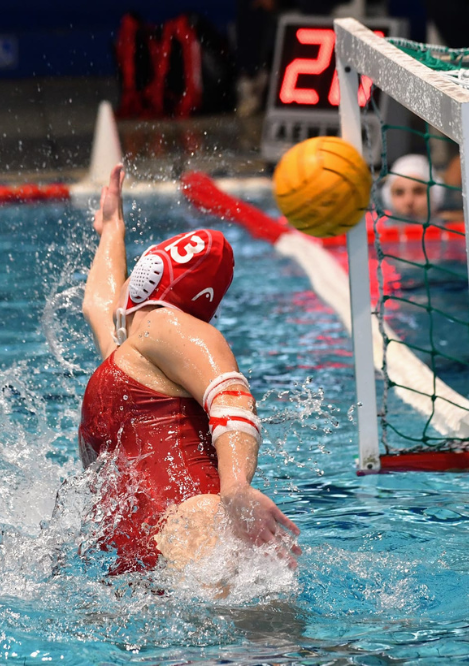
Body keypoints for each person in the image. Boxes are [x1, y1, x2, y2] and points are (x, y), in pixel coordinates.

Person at [79, 164, 301, 577]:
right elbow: (98, 302)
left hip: (194, 526)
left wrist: (235, 487)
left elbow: (230, 396)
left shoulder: (167, 328)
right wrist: (112, 229)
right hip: (159, 548)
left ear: (149, 278)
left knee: (244, 640)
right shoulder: (132, 353)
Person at [381, 154, 446, 223]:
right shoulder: (376, 231)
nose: (409, 201)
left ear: (435, 195)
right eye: (399, 193)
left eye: (418, 192)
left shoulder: (450, 230)